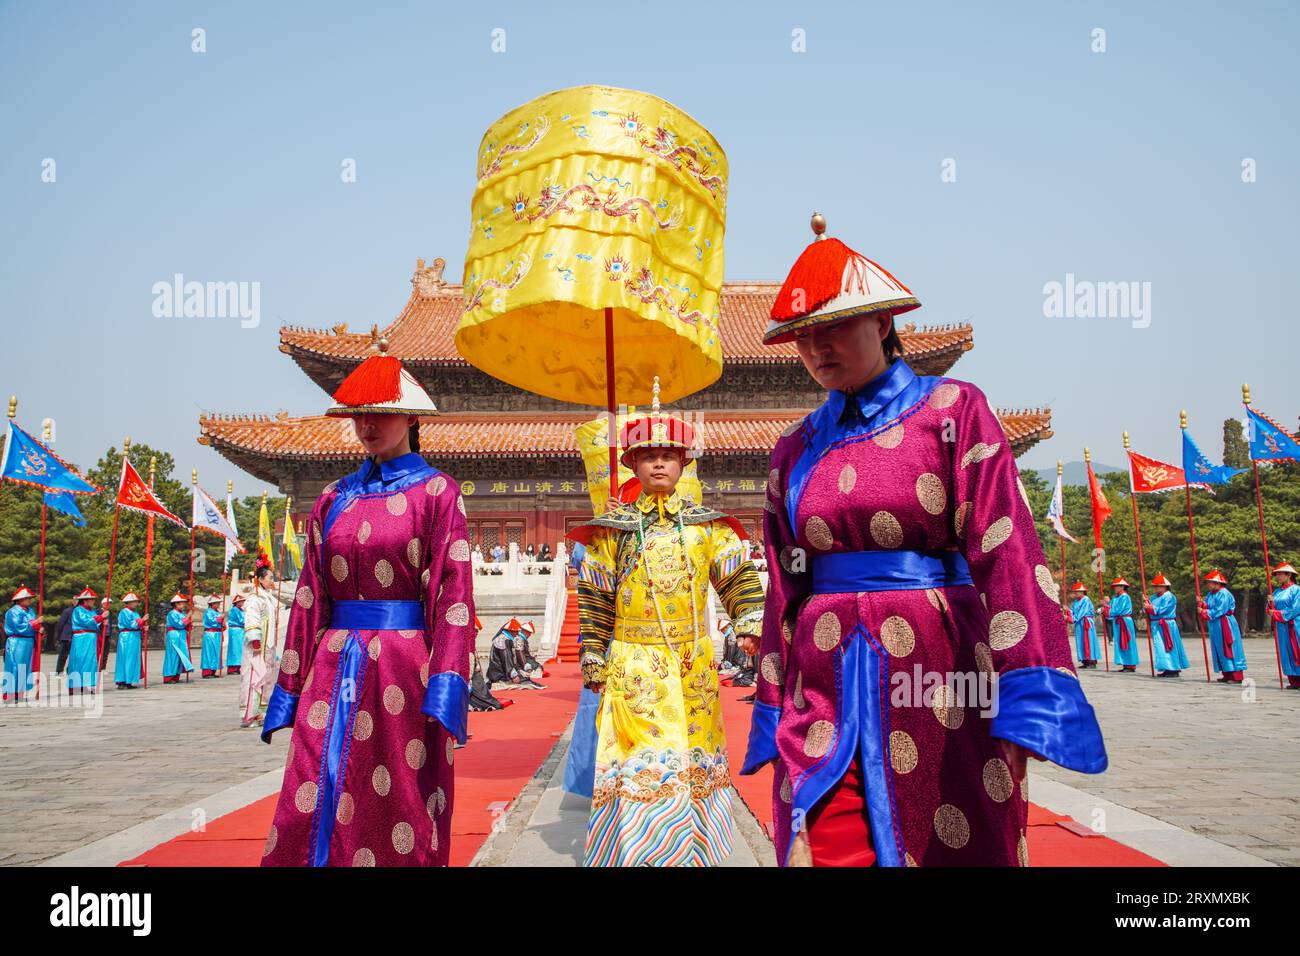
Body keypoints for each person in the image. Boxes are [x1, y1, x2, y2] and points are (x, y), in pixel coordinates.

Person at [742, 215, 1106, 867]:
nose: (817, 349)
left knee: (956, 840)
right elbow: (783, 584)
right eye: (803, 337)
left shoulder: (954, 411)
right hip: (823, 678)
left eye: (833, 329)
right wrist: (773, 699)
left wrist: (1027, 689)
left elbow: (1008, 551)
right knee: (833, 841)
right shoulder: (792, 449)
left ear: (882, 323)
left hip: (943, 676)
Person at [259, 342, 474, 867]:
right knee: (314, 781)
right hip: (331, 666)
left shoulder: (438, 493)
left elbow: (454, 596)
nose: (369, 426)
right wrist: (289, 686)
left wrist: (447, 685)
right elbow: (310, 595)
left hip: (404, 666)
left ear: (410, 417)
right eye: (359, 415)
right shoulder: (333, 498)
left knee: (399, 792)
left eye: (381, 414)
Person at [569, 391, 765, 867]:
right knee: (643, 761)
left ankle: (694, 853)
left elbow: (737, 576)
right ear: (633, 464)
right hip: (634, 663)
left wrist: (750, 621)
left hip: (692, 663)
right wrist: (593, 650)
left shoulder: (708, 528)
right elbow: (595, 596)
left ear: (684, 463)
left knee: (694, 757)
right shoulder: (611, 532)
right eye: (648, 456)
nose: (659, 464)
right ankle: (642, 853)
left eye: (668, 456)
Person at [240, 560, 277, 727]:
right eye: (269, 577)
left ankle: (262, 711)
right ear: (260, 579)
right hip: (258, 645)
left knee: (267, 676)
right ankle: (250, 713)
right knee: (254, 676)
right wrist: (255, 640)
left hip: (267, 646)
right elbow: (252, 619)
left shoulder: (268, 598)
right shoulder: (255, 599)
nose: (272, 581)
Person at [1200, 570, 1246, 683]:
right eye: (1208, 582)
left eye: (1210, 582)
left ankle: (1236, 675)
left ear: (1218, 583)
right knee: (1219, 647)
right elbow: (1208, 605)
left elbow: (1220, 609)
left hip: (1224, 622)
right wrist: (1202, 604)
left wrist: (1204, 612)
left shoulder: (1224, 593)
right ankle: (1227, 673)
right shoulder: (1211, 594)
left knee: (1229, 647)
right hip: (1215, 624)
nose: (1208, 585)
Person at [3, 586, 42, 702]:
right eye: (28, 598)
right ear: (21, 599)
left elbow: (34, 625)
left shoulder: (30, 611)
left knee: (25, 668)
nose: (30, 600)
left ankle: (20, 693)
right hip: (17, 642)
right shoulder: (13, 611)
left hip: (28, 642)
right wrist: (36, 623)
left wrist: (40, 629)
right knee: (15, 666)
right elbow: (18, 627)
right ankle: (10, 693)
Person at [1144, 575, 1187, 678]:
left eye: (1159, 586)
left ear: (1165, 586)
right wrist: (1147, 604)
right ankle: (1166, 667)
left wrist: (1149, 607)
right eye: (1155, 586)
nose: (1156, 588)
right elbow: (1150, 608)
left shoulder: (1169, 596)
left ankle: (1173, 668)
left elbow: (1162, 609)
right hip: (1156, 624)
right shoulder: (1154, 597)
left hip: (1166, 624)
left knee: (1169, 644)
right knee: (1160, 646)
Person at [67, 587, 105, 695]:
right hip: (81, 639)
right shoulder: (78, 610)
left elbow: (95, 623)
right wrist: (100, 618)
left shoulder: (92, 611)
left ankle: (85, 683)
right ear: (85, 600)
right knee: (79, 660)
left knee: (89, 661)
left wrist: (103, 621)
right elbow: (86, 621)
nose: (93, 601)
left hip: (90, 638)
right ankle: (75, 685)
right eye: (91, 599)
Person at [1268, 562, 1300, 690]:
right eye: (1277, 575)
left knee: (1296, 649)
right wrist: (1270, 604)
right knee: (1286, 652)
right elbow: (1271, 609)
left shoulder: (1296, 590)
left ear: (1289, 575)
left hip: (1294, 624)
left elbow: (1296, 608)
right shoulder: (1276, 591)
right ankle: (1294, 680)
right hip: (1282, 627)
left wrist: (1277, 613)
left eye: (1281, 574)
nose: (1278, 577)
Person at [1101, 577, 1140, 672]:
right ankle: (1125, 663)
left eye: (1117, 586)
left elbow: (1118, 610)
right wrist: (1106, 608)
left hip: (1125, 621)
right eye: (1114, 586)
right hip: (1118, 621)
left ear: (1122, 587)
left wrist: (1107, 611)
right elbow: (1113, 609)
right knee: (1120, 641)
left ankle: (1130, 664)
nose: (1115, 588)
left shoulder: (1125, 596)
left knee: (1127, 640)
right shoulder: (1115, 598)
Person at [1066, 582, 1101, 668]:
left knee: (1088, 641)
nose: (1075, 593)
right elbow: (1072, 611)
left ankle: (1092, 661)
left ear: (1082, 592)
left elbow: (1081, 613)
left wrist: (1071, 618)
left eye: (1077, 591)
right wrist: (1067, 611)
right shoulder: (1075, 601)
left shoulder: (1086, 599)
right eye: (1075, 592)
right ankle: (1085, 661)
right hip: (1079, 623)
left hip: (1086, 622)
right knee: (1080, 641)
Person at [114, 593, 146, 689]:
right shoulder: (124, 612)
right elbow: (130, 624)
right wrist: (142, 621)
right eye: (134, 601)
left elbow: (138, 625)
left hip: (135, 637)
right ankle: (122, 680)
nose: (136, 603)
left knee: (133, 659)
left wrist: (144, 627)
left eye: (136, 601)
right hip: (127, 637)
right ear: (128, 603)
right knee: (126, 657)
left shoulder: (136, 613)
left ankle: (130, 680)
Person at [162, 594, 195, 684]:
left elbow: (186, 625)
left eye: (184, 604)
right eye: (181, 604)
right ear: (176, 604)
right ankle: (169, 676)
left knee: (180, 656)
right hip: (174, 636)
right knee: (173, 655)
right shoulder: (172, 613)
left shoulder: (182, 613)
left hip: (181, 636)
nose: (183, 605)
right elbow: (179, 624)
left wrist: (189, 624)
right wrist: (188, 617)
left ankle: (176, 675)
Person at [199, 594, 226, 678]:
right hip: (210, 634)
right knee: (209, 651)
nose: (218, 604)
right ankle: (207, 671)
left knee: (216, 652)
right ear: (212, 604)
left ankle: (213, 670)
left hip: (217, 634)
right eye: (216, 603)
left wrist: (223, 622)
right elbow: (211, 621)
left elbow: (221, 624)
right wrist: (220, 618)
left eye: (219, 603)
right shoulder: (208, 611)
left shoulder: (218, 612)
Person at [226, 593, 246, 675]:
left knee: (239, 649)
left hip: (240, 631)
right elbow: (241, 620)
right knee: (235, 649)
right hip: (235, 630)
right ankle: (232, 667)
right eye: (241, 601)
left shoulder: (241, 610)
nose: (243, 603)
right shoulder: (234, 610)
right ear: (237, 602)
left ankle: (237, 667)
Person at [54, 601, 74, 675]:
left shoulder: (79, 611)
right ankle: (59, 670)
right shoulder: (67, 611)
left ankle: (70, 670)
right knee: (63, 654)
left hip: (75, 636)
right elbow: (61, 623)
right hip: (67, 635)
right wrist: (59, 635)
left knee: (73, 655)